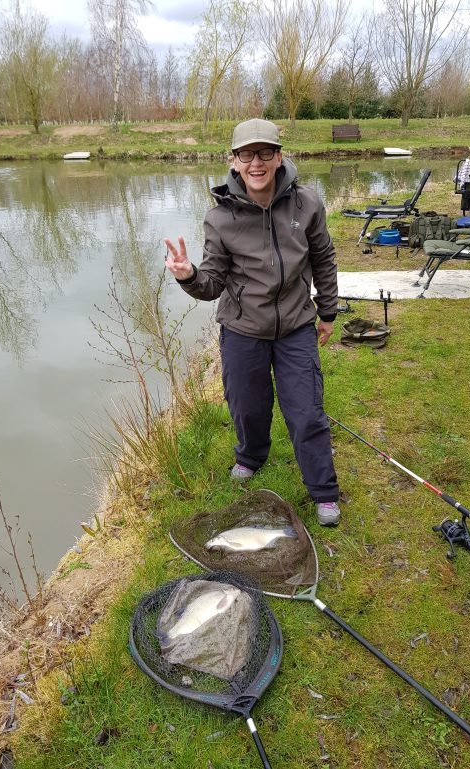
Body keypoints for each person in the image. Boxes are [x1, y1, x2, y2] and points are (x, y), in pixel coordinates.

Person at [164, 118, 341, 526]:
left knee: (306, 412)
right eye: (246, 154)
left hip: (296, 325)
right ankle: (251, 456)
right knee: (247, 407)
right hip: (243, 329)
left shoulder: (308, 204)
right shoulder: (220, 218)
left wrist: (328, 311)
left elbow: (324, 258)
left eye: (264, 153)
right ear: (234, 160)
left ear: (279, 157)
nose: (256, 162)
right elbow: (212, 284)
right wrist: (188, 275)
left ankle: (324, 491)